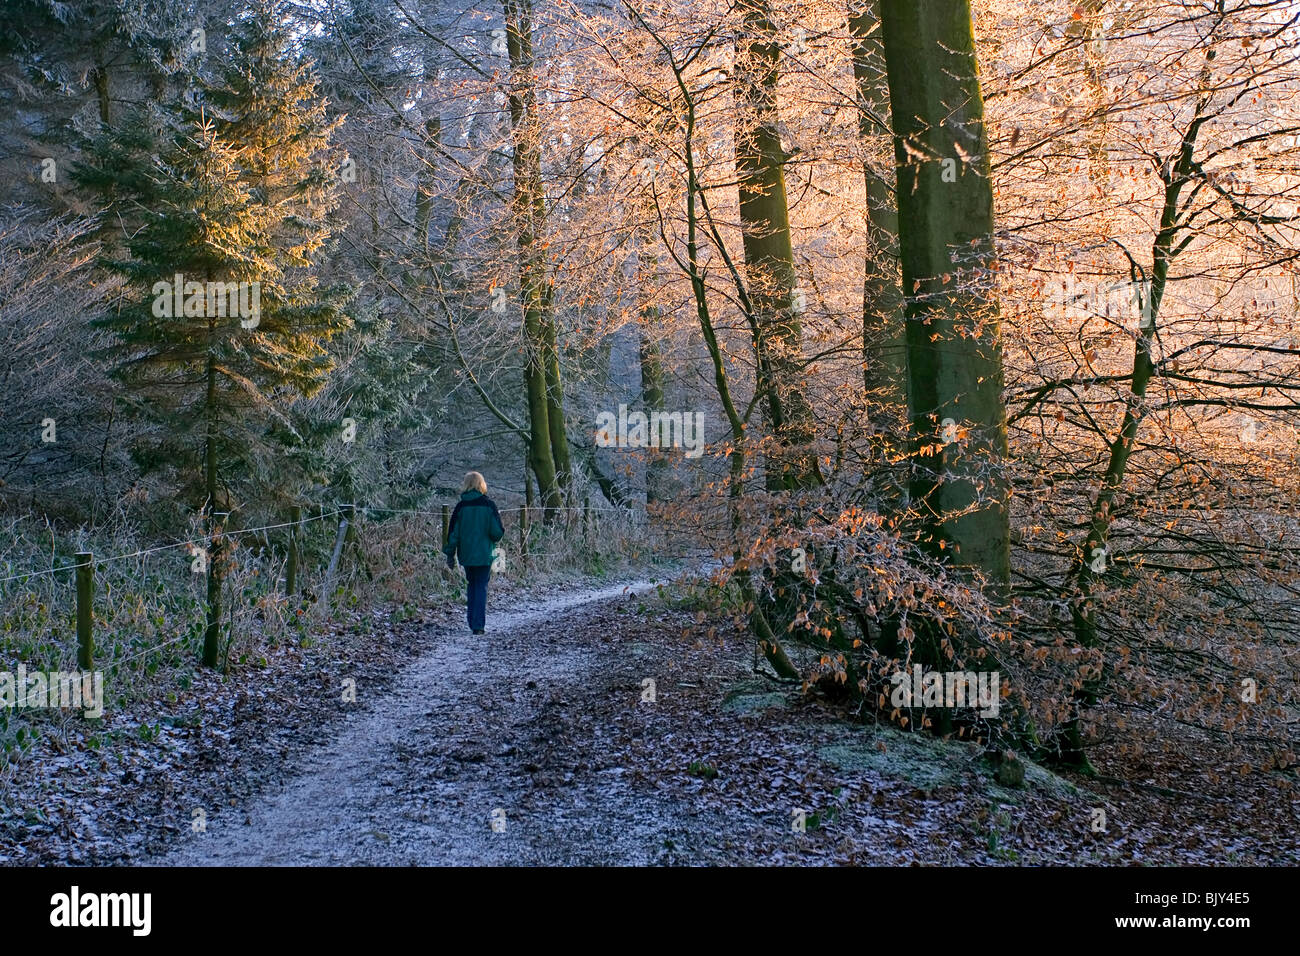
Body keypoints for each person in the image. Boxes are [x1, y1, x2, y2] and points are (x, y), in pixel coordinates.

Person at [442, 471, 504, 634]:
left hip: (467, 554)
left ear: (467, 484)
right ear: (481, 484)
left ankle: (472, 621)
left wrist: (450, 553)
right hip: (484, 553)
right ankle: (478, 625)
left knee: (471, 585)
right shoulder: (489, 505)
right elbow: (497, 533)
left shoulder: (461, 507)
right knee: (481, 586)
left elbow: (453, 534)